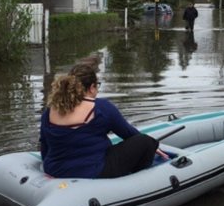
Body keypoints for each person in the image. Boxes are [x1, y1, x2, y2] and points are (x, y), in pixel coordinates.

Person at [39, 58, 167, 178]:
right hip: (93, 170)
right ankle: (135, 179)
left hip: (54, 169)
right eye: (97, 86)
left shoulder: (50, 110)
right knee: (145, 141)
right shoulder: (101, 108)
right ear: (92, 87)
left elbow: (44, 145)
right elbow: (130, 135)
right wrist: (153, 146)